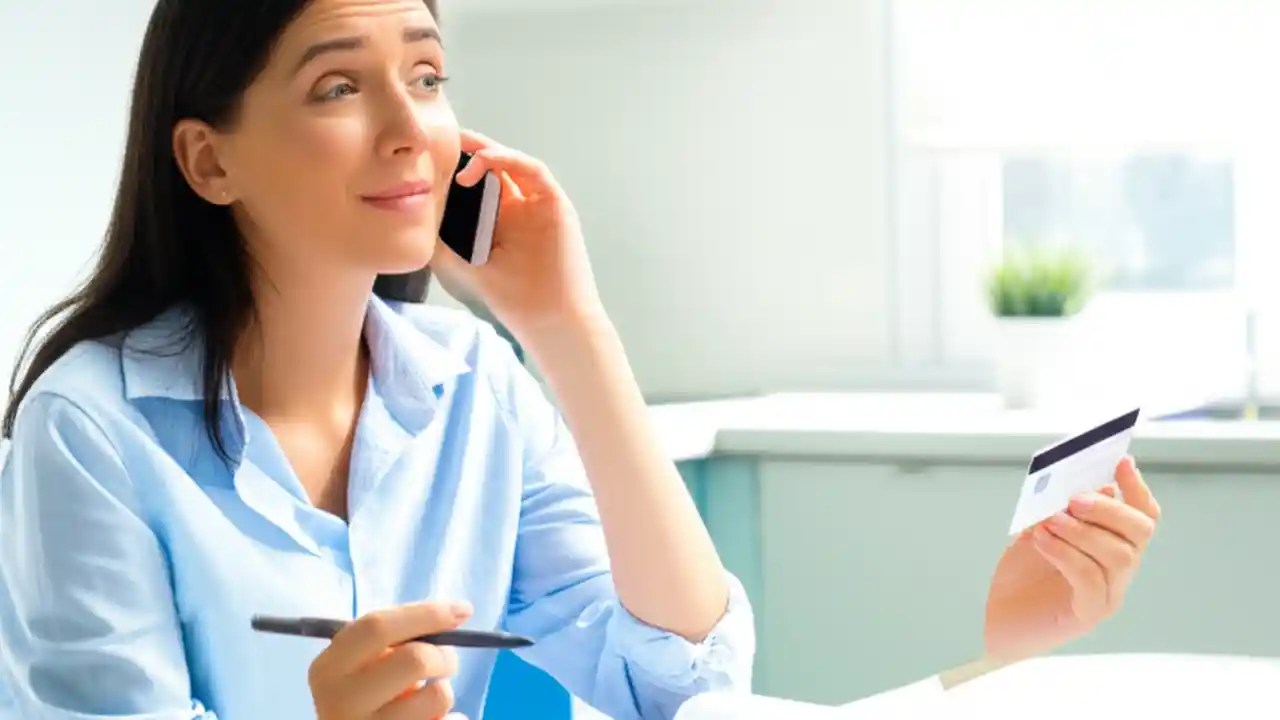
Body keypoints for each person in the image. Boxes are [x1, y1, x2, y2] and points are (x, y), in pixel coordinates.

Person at [0, 1, 1160, 718]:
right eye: (339, 86)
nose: (412, 125)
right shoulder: (92, 427)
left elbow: (681, 687)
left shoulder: (473, 385)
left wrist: (568, 326)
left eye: (429, 72)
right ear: (208, 162)